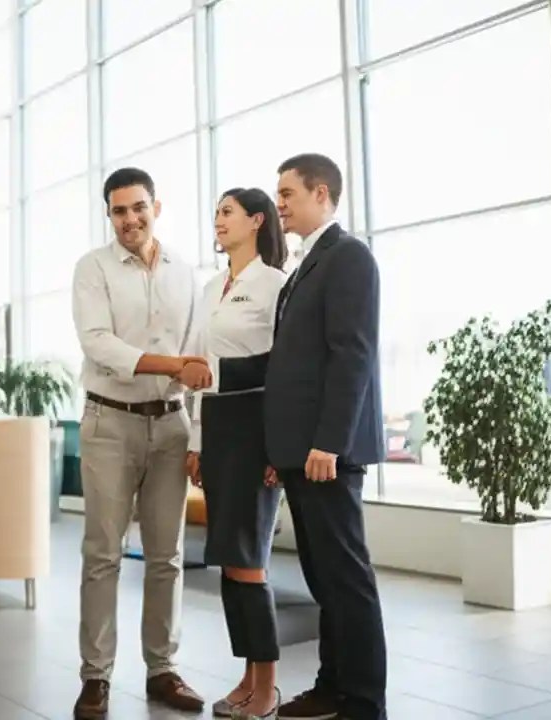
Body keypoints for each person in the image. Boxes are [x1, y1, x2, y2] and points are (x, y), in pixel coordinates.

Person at [216, 153, 388, 720]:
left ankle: (362, 703)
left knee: (347, 579)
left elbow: (352, 355)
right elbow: (288, 365)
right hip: (299, 450)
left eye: (287, 194)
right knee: (325, 580)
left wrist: (329, 444)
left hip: (325, 453)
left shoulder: (349, 257)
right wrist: (210, 372)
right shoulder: (304, 268)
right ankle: (331, 685)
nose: (279, 204)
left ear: (322, 194)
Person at [69, 166, 209, 720]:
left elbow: (199, 356)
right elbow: (99, 344)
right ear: (108, 214)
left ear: (156, 205)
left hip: (171, 424)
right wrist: (175, 364)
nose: (129, 219)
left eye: (138, 207)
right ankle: (95, 677)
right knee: (102, 555)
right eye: (118, 210)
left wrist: (196, 432)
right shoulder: (93, 268)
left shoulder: (184, 273)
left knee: (166, 556)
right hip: (110, 422)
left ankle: (162, 669)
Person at [181, 188, 288, 719]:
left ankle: (267, 686)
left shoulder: (275, 286)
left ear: (256, 220)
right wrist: (197, 441)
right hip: (218, 427)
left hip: (255, 429)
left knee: (249, 564)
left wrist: (277, 448)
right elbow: (200, 372)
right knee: (228, 562)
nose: (218, 220)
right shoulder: (210, 288)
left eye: (228, 212)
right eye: (216, 212)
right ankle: (246, 677)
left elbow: (281, 372)